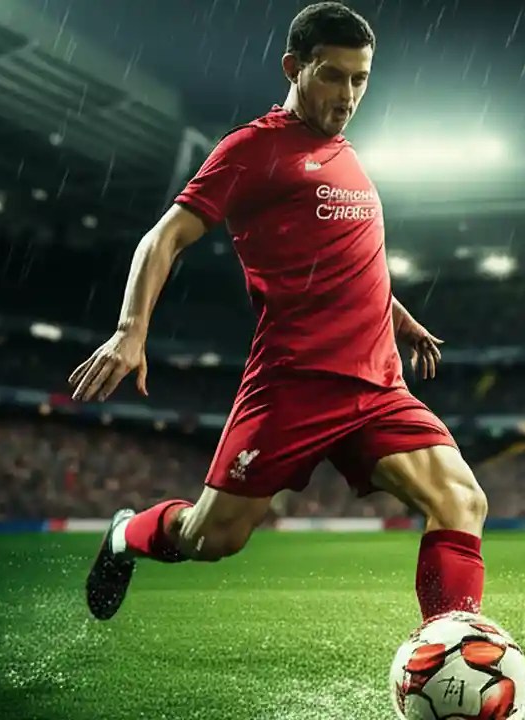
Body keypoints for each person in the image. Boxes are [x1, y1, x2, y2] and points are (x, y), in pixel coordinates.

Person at [69, 1, 487, 624]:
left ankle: (449, 652)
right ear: (294, 67)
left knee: (461, 500)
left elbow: (342, 255)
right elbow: (164, 239)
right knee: (212, 539)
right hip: (293, 385)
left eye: (360, 79)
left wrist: (395, 313)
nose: (347, 95)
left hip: (377, 385)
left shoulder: (346, 154)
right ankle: (126, 535)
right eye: (332, 75)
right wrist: (131, 332)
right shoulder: (252, 150)